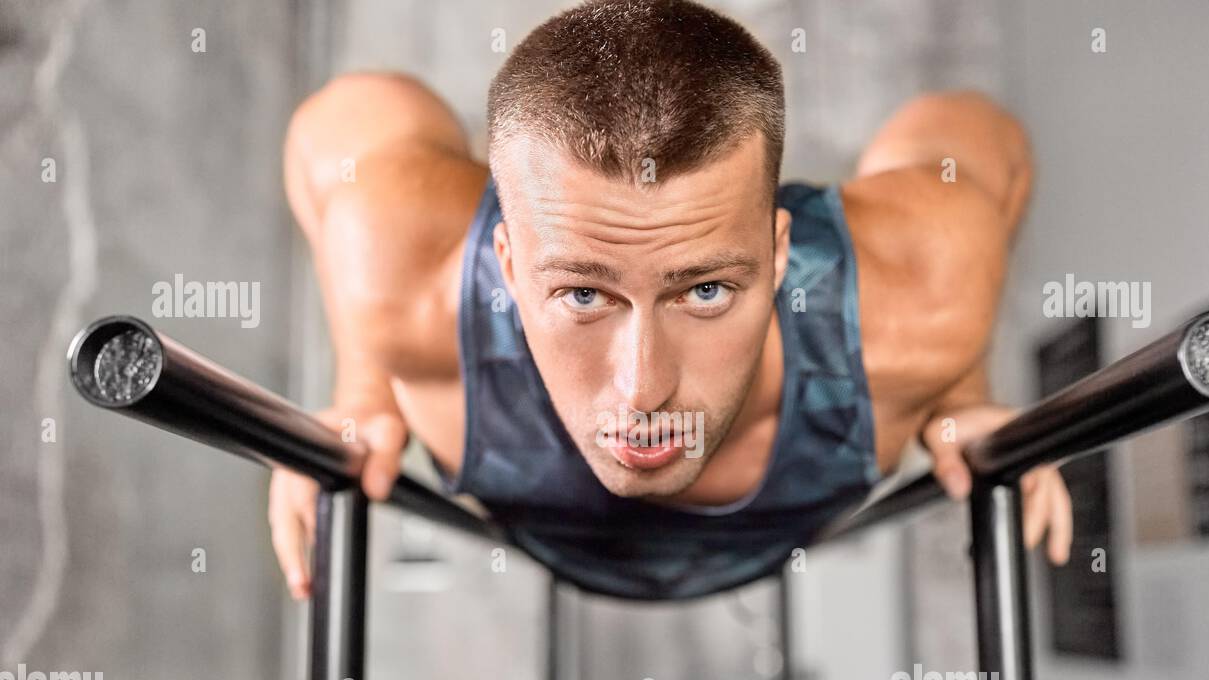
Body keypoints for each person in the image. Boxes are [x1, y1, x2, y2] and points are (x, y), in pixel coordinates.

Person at [269, 0, 1072, 601]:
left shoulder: (919, 296)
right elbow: (332, 124)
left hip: (779, 531)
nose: (642, 388)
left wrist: (960, 394)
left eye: (706, 289)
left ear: (780, 253)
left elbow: (984, 135)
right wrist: (362, 393)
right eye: (584, 292)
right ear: (508, 266)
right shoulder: (405, 285)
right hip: (552, 533)